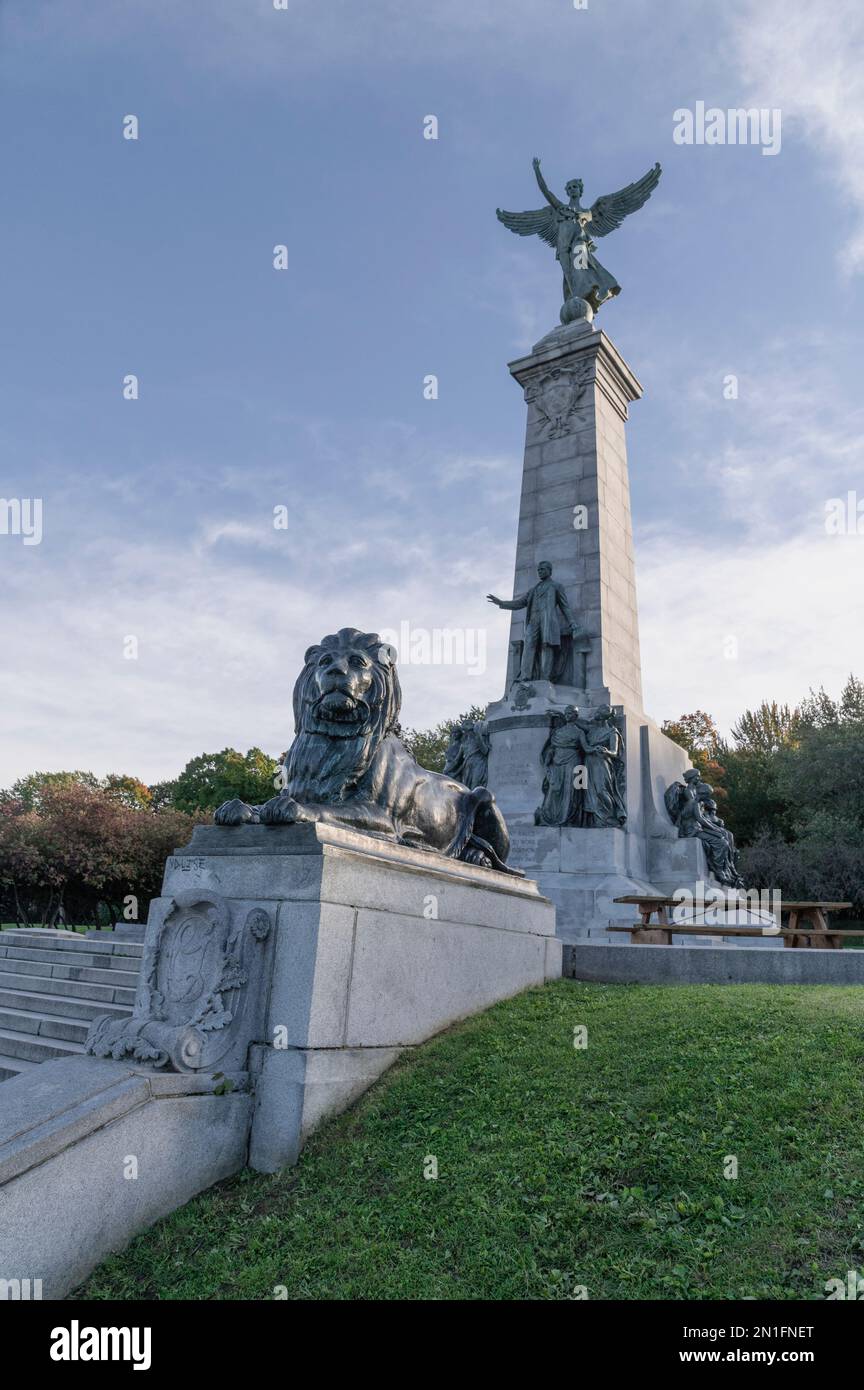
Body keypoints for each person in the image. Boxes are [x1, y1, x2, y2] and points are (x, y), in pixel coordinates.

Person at [487, 560, 580, 682]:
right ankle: (525, 676)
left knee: (546, 647)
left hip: (548, 621)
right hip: (533, 620)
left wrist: (572, 622)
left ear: (549, 571)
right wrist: (502, 603)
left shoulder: (556, 586)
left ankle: (545, 678)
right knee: (529, 646)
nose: (539, 572)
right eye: (538, 570)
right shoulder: (533, 590)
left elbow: (565, 606)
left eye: (542, 569)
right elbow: (519, 603)